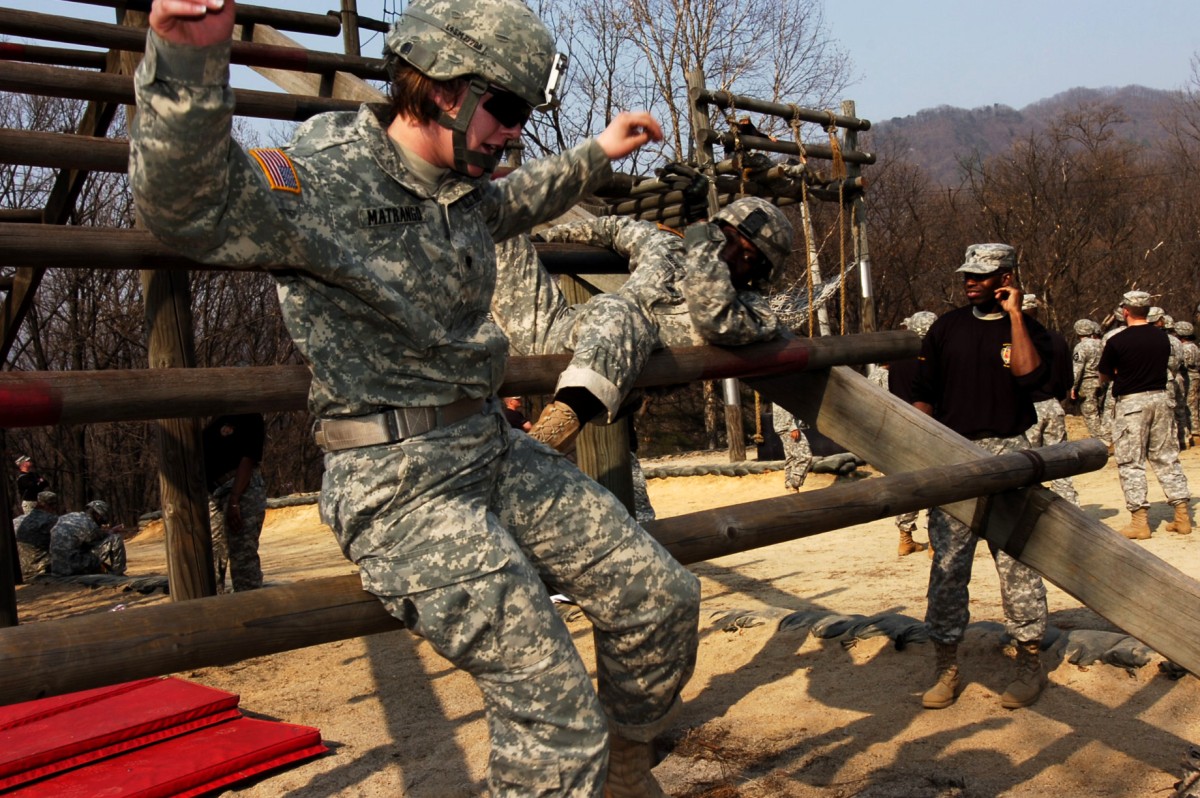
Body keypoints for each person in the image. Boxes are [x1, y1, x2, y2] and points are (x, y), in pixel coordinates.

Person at [129, 1, 699, 795]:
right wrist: (185, 62)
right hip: (398, 484)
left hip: (490, 452)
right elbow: (187, 210)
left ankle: (627, 766)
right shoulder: (325, 175)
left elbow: (519, 200)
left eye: (523, 115)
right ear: (439, 87)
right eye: (505, 108)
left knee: (661, 599)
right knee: (553, 710)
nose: (513, 132)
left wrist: (599, 151)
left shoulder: (464, 188)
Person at [492, 198, 791, 451]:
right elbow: (613, 228)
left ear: (760, 274)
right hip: (563, 332)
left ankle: (544, 443)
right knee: (500, 228)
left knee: (620, 309)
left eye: (747, 256)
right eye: (727, 239)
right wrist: (544, 240)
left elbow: (710, 314)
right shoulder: (667, 246)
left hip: (616, 377)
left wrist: (700, 234)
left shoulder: (754, 313)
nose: (730, 255)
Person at [910, 243, 1052, 711]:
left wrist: (1015, 316)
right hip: (954, 457)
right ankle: (946, 667)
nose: (970, 282)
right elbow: (924, 393)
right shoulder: (946, 328)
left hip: (1011, 454)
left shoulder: (1028, 329)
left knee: (1018, 565)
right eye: (967, 275)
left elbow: (1029, 377)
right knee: (948, 569)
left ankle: (1029, 663)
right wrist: (921, 450)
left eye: (982, 275)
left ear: (1006, 278)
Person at [1098, 291, 1192, 540]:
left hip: (1132, 403)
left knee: (1131, 461)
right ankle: (1182, 516)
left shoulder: (1117, 340)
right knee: (1166, 457)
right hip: (1161, 399)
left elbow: (1104, 375)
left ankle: (1140, 522)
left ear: (1125, 311)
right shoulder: (1164, 339)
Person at [884, 311, 937, 556]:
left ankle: (905, 537)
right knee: (936, 483)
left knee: (906, 484)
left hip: (903, 429)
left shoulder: (897, 362)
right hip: (933, 428)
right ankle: (935, 541)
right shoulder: (936, 358)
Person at [1020, 294, 1079, 505]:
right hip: (1053, 405)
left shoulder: (1012, 341)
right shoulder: (1056, 339)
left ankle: (1031, 512)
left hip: (1025, 409)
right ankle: (1071, 510)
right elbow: (1068, 378)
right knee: (1060, 464)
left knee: (1027, 468)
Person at [203, 413, 267, 592]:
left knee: (242, 558)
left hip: (241, 489)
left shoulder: (250, 416)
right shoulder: (215, 420)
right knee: (210, 558)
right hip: (213, 492)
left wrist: (234, 500)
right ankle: (215, 605)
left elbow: (249, 458)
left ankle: (251, 604)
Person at [49, 499, 126, 577]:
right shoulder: (91, 526)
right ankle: (118, 574)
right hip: (72, 567)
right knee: (116, 538)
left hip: (57, 567)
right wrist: (112, 531)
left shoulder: (69, 517)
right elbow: (101, 539)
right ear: (98, 515)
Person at [1070, 318, 1105, 440]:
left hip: (1087, 382)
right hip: (1103, 381)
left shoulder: (1081, 347)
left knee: (1090, 414)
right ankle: (1107, 437)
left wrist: (1073, 387)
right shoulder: (1102, 344)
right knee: (1102, 412)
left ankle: (1100, 440)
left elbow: (1077, 368)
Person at [14, 489, 58, 578]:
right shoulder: (51, 520)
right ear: (52, 505)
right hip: (41, 570)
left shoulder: (22, 520)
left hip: (21, 569)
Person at [772, 405, 813, 492]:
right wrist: (791, 426)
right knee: (805, 456)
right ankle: (793, 483)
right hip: (787, 425)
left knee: (791, 458)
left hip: (785, 424)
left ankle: (791, 488)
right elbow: (784, 402)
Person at [1177, 321, 1200, 446]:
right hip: (1195, 375)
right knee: (1194, 403)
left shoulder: (1186, 348)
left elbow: (1185, 364)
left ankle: (1194, 431)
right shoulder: (1194, 346)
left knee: (1189, 404)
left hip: (1189, 377)